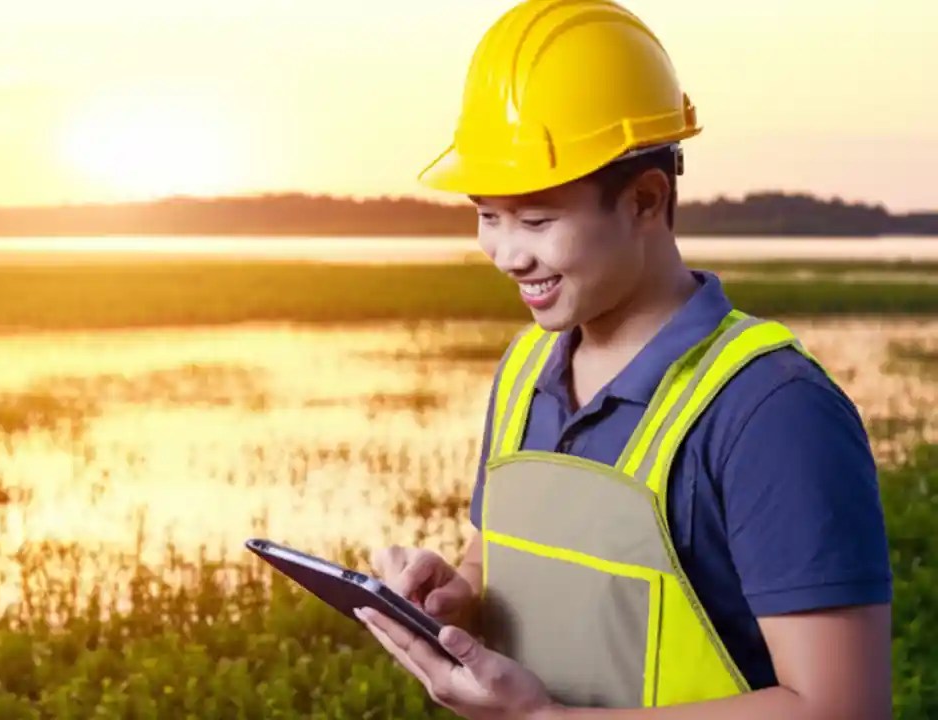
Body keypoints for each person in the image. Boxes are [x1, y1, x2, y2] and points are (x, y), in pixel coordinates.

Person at [354, 1, 894, 717]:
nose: (508, 254)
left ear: (645, 200)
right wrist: (459, 598)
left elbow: (842, 708)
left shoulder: (773, 410)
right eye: (487, 214)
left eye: (538, 219)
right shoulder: (524, 371)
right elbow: (509, 570)